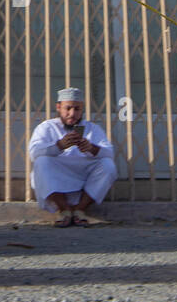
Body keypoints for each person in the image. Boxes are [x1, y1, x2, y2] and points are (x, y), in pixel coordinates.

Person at [27, 88, 117, 226]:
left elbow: (109, 153)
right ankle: (64, 210)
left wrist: (92, 148)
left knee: (108, 165)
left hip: (84, 172)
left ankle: (79, 210)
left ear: (82, 109)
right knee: (41, 162)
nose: (72, 113)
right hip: (58, 171)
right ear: (58, 107)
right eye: (67, 108)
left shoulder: (93, 129)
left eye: (77, 109)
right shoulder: (46, 127)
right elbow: (34, 152)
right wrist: (58, 146)